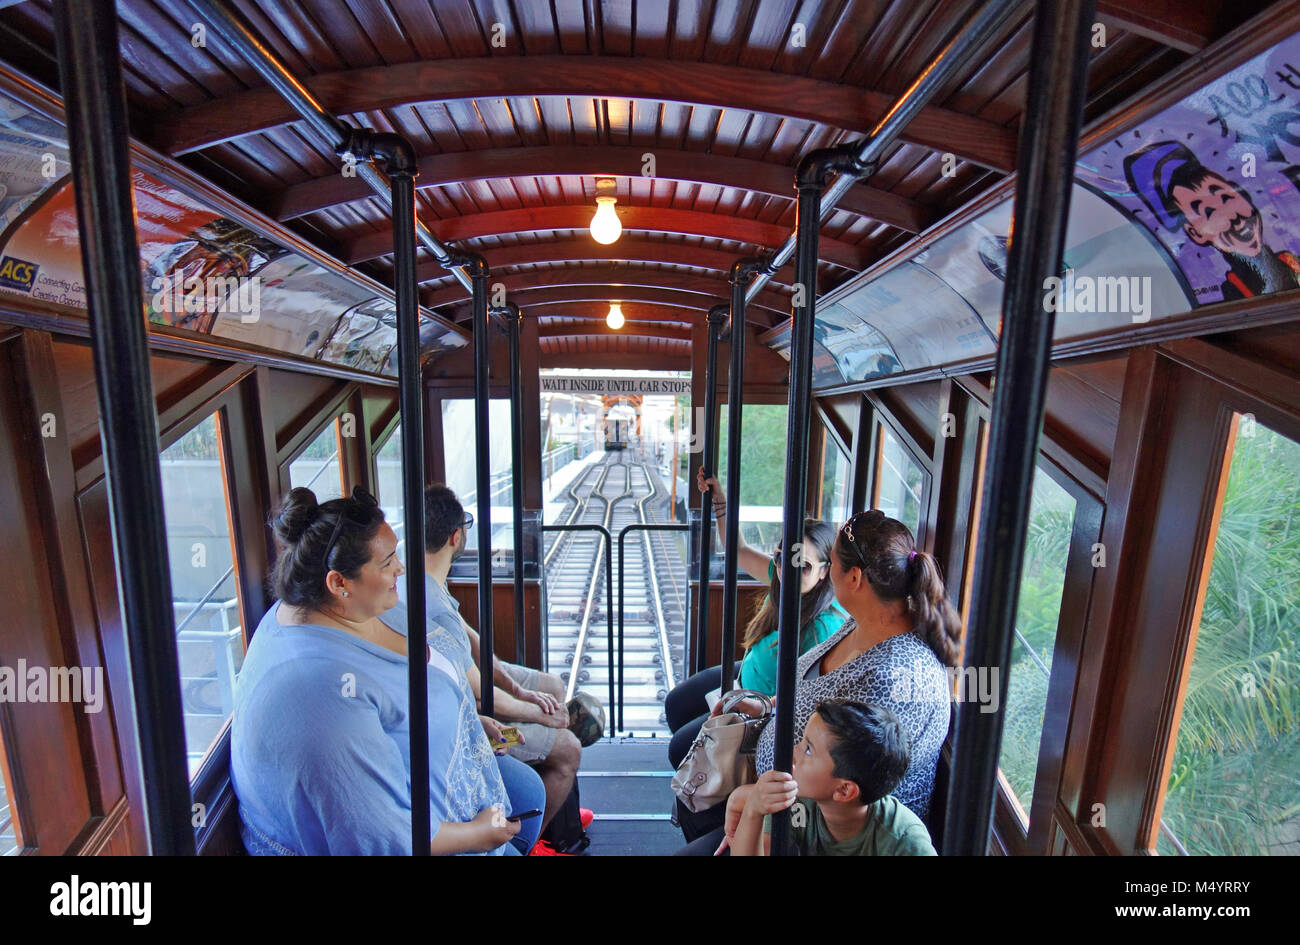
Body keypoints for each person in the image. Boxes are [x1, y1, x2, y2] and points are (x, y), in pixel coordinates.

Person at [231, 486, 541, 855]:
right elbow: (387, 839)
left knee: (527, 792)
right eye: (387, 561)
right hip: (440, 835)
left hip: (458, 784)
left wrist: (466, 721)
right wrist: (481, 834)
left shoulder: (360, 607)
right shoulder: (322, 700)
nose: (401, 568)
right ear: (338, 583)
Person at [675, 508, 956, 854]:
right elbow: (810, 684)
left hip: (812, 826)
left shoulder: (893, 676)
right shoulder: (865, 622)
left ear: (854, 578)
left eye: (832, 563)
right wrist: (769, 705)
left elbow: (851, 783)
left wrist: (751, 802)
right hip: (782, 797)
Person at [410, 484, 599, 852]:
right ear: (457, 536)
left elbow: (475, 645)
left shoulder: (429, 582)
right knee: (569, 748)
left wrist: (523, 688)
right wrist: (542, 716)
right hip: (474, 717)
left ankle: (563, 822)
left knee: (552, 686)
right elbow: (483, 693)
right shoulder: (432, 608)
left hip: (478, 696)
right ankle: (531, 841)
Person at [665, 469, 848, 773]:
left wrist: (762, 706)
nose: (786, 571)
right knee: (677, 704)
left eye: (801, 567)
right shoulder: (782, 581)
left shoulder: (823, 628)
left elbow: (808, 696)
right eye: (780, 559)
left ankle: (707, 781)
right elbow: (737, 550)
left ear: (824, 570)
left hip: (763, 707)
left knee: (679, 748)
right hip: (745, 677)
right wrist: (721, 499)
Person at [727, 699, 936, 856]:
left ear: (844, 790)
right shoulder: (797, 802)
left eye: (808, 749)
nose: (794, 752)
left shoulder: (905, 843)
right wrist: (754, 809)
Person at [1124, 140, 1300, 301]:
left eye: (1227, 198)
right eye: (1209, 213)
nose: (1233, 216)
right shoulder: (1231, 296)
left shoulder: (1290, 260)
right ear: (1196, 234)